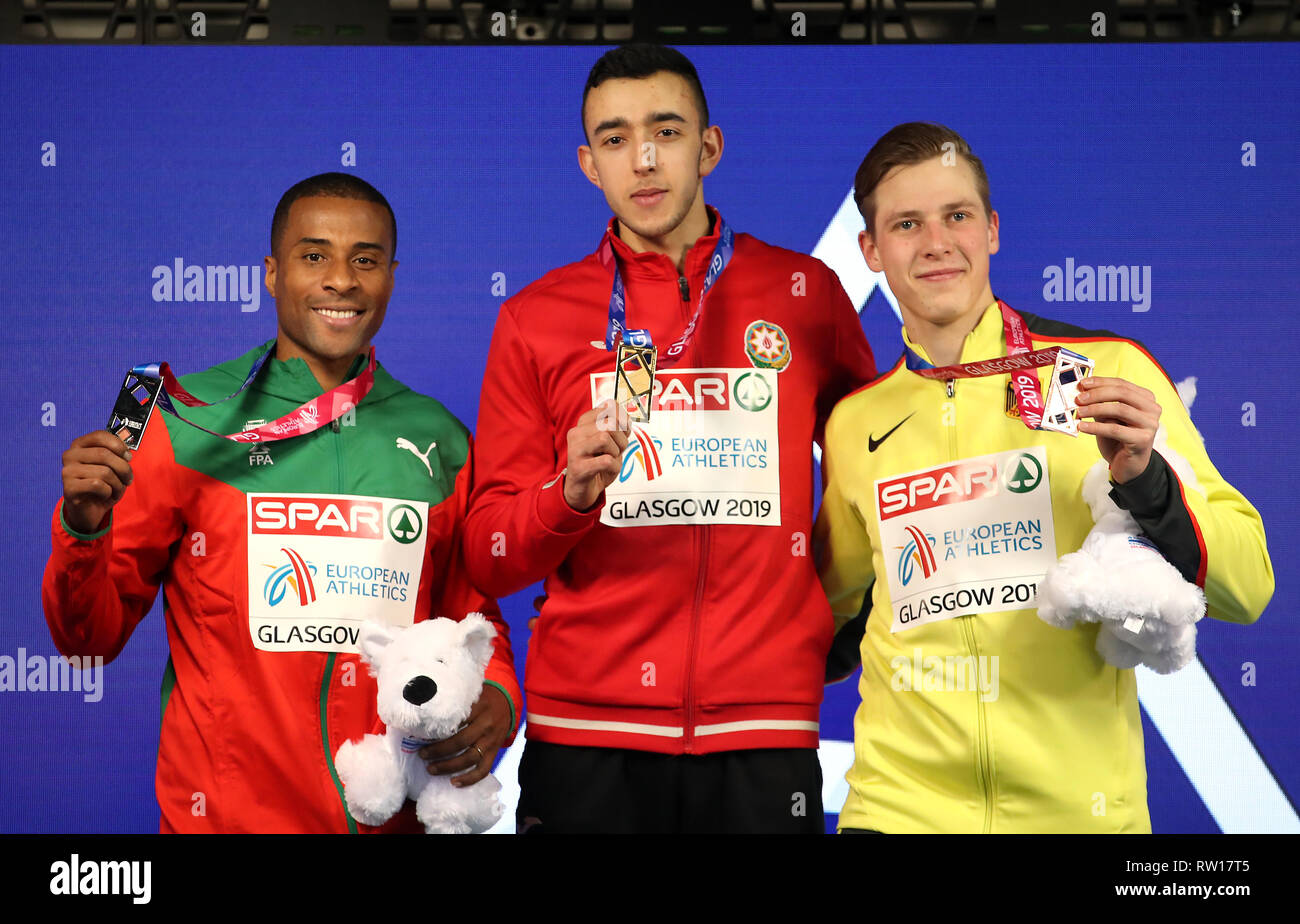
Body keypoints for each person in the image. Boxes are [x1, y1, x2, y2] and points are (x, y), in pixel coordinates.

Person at [814, 122, 1274, 833]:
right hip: (896, 811)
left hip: (1078, 817)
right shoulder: (854, 423)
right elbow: (824, 615)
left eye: (957, 216)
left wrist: (1148, 485)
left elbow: (1248, 586)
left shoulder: (1108, 369)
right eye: (907, 223)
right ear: (870, 250)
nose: (936, 242)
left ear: (991, 229)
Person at [464, 44, 877, 833]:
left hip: (762, 732)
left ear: (709, 147)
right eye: (616, 139)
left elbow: (878, 471)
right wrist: (568, 497)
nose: (644, 160)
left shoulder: (805, 294)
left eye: (667, 130)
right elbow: (490, 553)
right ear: (589, 163)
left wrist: (829, 629)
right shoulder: (535, 317)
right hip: (587, 735)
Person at [43, 173, 521, 833]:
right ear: (272, 274)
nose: (342, 280)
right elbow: (87, 641)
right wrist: (81, 530)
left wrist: (498, 692)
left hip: (392, 818)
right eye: (314, 255)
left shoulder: (438, 438)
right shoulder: (189, 424)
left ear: (390, 276)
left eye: (366, 260)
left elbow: (471, 614)